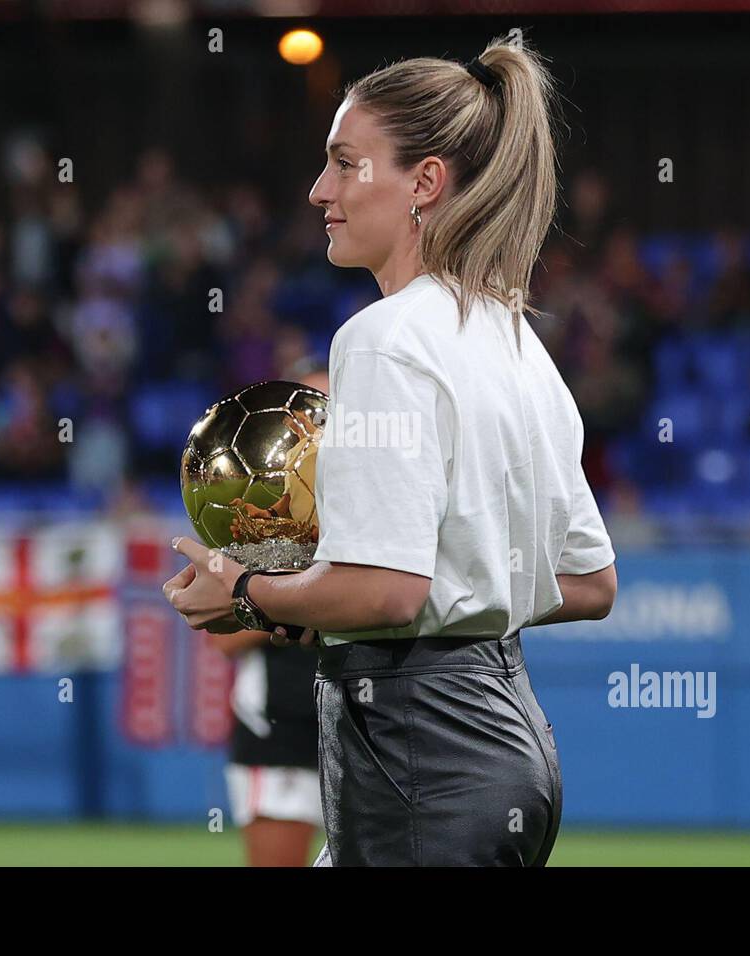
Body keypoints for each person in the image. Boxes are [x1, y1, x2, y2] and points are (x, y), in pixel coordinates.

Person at [163, 36, 617, 867]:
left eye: (345, 165)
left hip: (420, 761)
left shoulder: (381, 340)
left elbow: (389, 590)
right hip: (506, 750)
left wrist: (251, 593)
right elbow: (589, 582)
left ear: (426, 182)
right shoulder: (515, 339)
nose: (319, 191)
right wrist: (440, 593)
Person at [213, 360, 329, 867]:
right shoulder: (258, 526)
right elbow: (224, 639)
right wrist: (298, 594)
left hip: (374, 722)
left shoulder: (386, 519)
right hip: (280, 727)